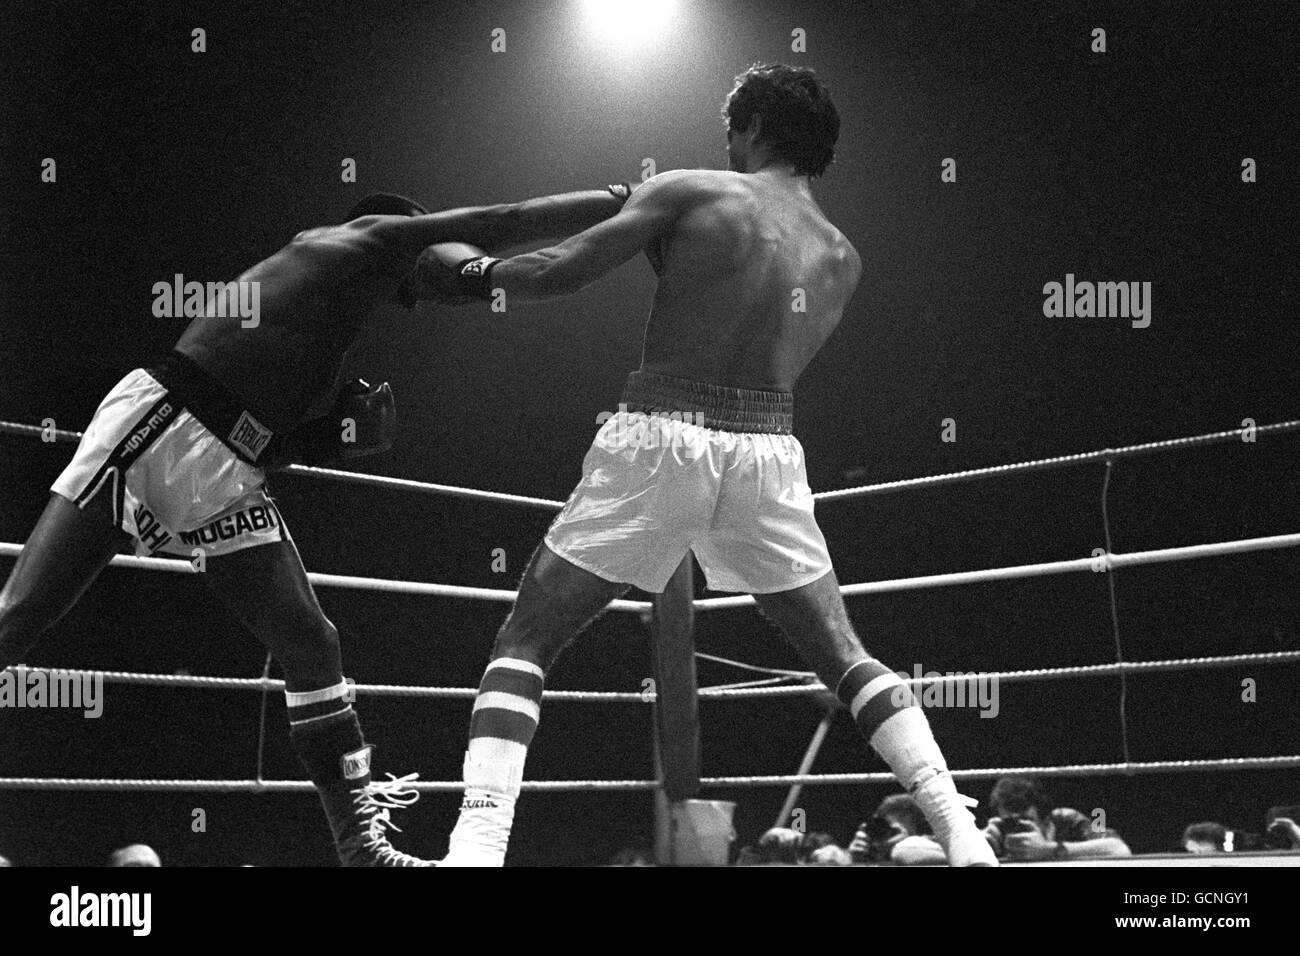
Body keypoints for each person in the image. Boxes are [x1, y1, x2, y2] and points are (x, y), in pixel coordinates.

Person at [415, 62, 997, 867]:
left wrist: (473, 275)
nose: (726, 144)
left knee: (527, 637)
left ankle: (475, 850)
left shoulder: (692, 190)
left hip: (664, 433)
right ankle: (963, 835)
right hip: (768, 453)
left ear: (752, 127)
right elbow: (746, 326)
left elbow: (557, 271)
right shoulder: (841, 256)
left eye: (732, 130)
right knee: (844, 653)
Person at [0, 185, 632, 866]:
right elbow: (506, 221)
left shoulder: (334, 307)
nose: (423, 294)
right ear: (399, 232)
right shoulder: (348, 245)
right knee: (21, 617)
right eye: (425, 269)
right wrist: (623, 200)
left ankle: (362, 851)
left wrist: (333, 438)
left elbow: (261, 442)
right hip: (159, 430)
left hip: (226, 473)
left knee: (311, 643)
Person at [983, 776, 1131, 862]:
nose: (1018, 830)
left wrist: (1050, 850)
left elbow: (1119, 849)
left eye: (1026, 821)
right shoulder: (996, 833)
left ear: (1046, 821)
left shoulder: (1065, 819)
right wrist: (976, 845)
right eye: (1010, 822)